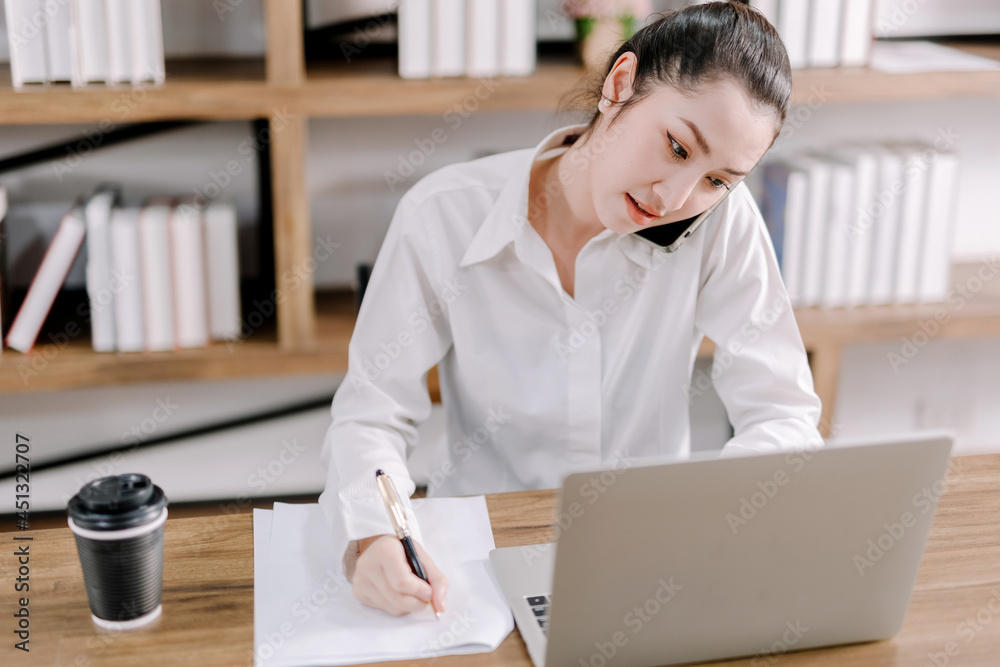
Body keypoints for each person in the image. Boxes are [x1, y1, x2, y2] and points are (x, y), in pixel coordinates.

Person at [318, 0, 823, 618]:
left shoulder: (721, 226)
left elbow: (785, 414)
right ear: (620, 84)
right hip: (476, 564)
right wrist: (374, 536)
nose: (675, 198)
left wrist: (709, 520)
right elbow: (372, 411)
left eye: (719, 180)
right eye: (676, 146)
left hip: (648, 563)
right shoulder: (442, 215)